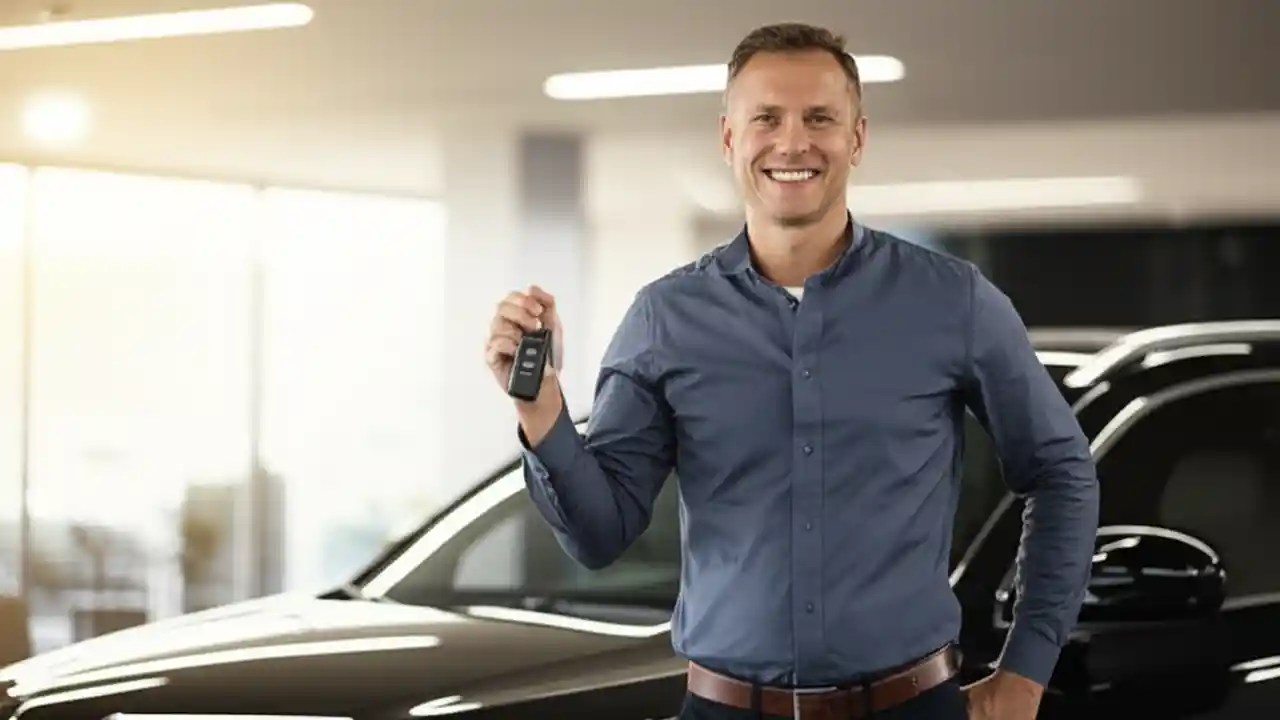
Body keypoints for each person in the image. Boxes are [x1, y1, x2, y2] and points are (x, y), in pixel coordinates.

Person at [484, 22, 1100, 720]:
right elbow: (600, 535)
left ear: (857, 137)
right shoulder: (664, 319)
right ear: (728, 138)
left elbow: (1062, 473)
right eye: (767, 118)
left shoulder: (952, 301)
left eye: (819, 119)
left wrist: (1025, 673)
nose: (792, 143)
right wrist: (541, 409)